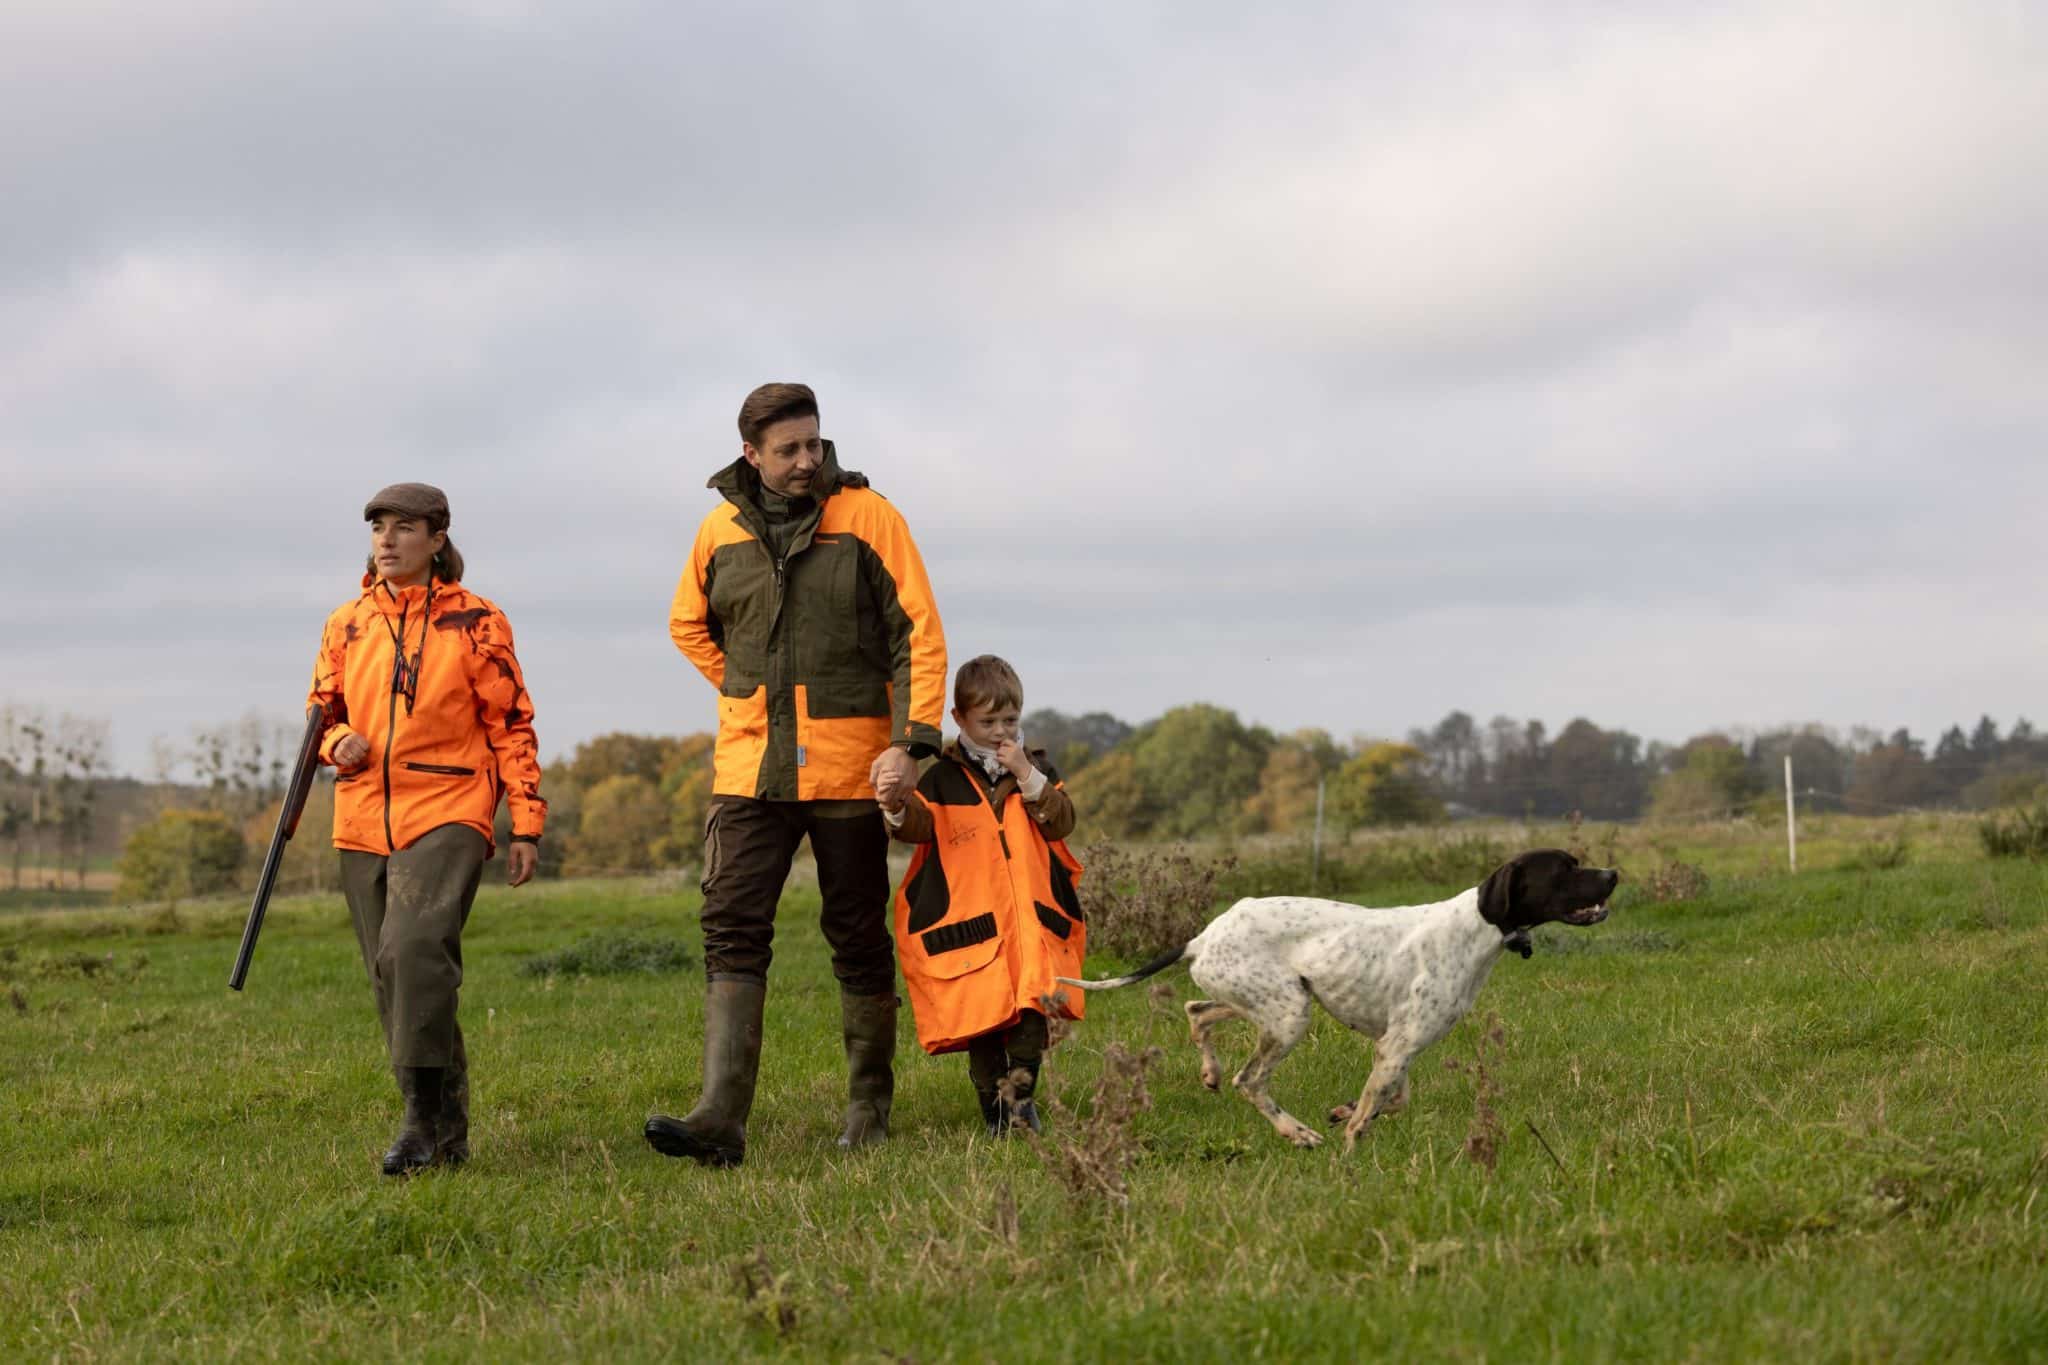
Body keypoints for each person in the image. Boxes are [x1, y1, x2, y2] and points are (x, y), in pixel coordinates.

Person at [648, 382, 947, 1168]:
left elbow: (917, 631)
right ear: (751, 453)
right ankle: (719, 1117)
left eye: (814, 444)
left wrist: (911, 743)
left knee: (854, 934)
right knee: (730, 924)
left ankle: (868, 1108)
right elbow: (689, 621)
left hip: (853, 769)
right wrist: (745, 690)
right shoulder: (719, 529)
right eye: (789, 449)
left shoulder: (871, 517)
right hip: (749, 771)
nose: (807, 460)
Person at [308, 482, 546, 1175]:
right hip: (361, 818)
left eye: (404, 527)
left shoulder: (477, 621)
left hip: (449, 807)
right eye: (379, 527)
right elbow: (321, 710)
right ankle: (447, 1132)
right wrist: (337, 740)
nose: (387, 539)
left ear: (437, 538)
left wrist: (525, 822)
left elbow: (511, 725)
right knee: (396, 976)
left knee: (412, 950)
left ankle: (416, 1122)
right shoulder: (344, 622)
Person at [874, 655, 1085, 1135]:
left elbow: (1061, 821)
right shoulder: (941, 778)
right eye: (987, 721)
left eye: (1009, 720)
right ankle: (994, 1107)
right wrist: (893, 807)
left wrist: (1028, 776)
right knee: (984, 1023)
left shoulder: (1038, 768)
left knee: (1033, 1016)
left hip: (1032, 925)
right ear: (960, 720)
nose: (999, 731)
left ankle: (1021, 1101)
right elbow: (918, 826)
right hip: (971, 932)